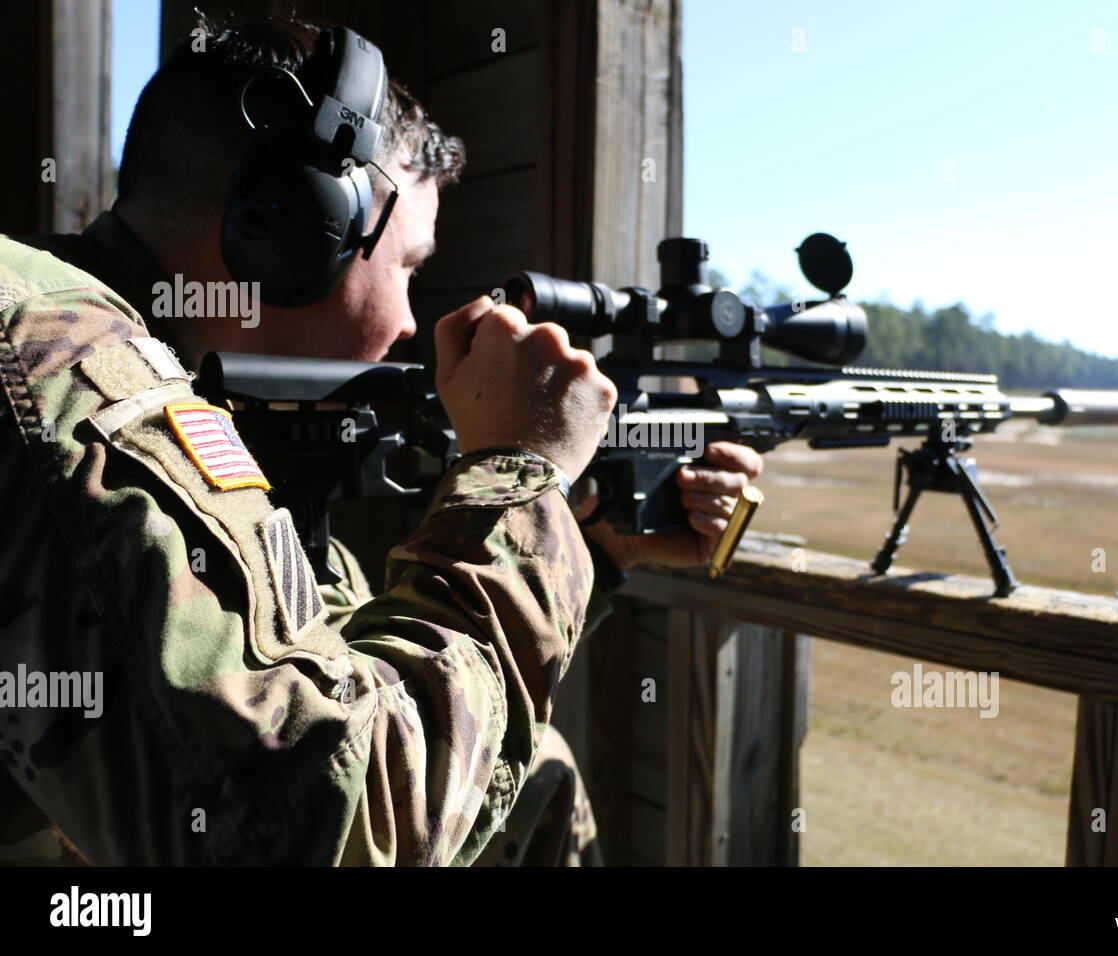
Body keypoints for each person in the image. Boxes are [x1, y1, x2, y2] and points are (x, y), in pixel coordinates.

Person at [0, 15, 759, 865]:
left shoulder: (99, 349)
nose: (407, 322)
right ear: (296, 230)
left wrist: (588, 551)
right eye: (408, 267)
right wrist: (521, 476)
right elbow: (326, 820)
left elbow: (316, 655)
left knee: (534, 777)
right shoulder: (69, 376)